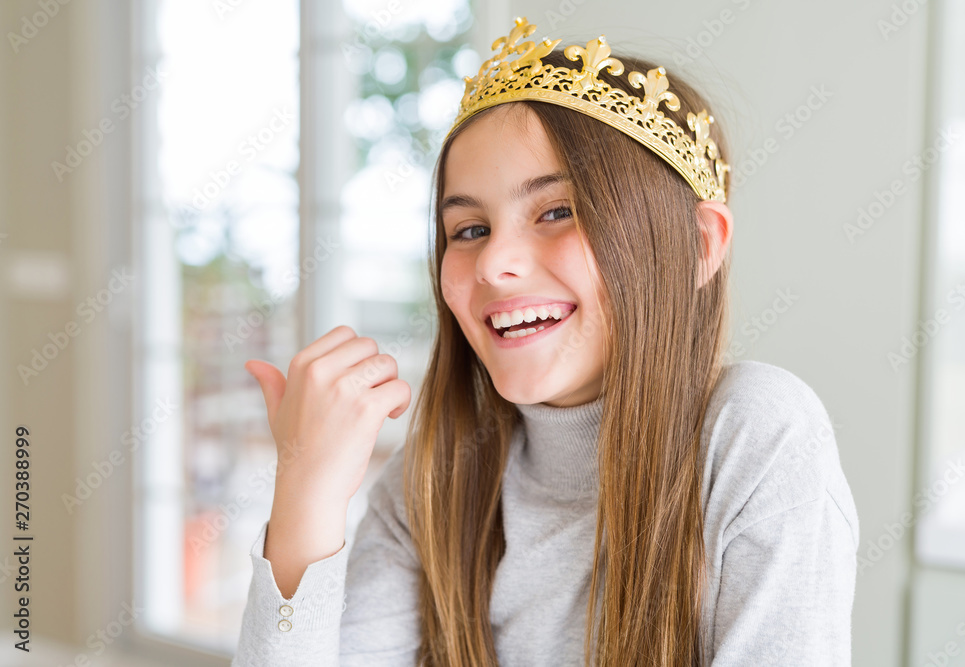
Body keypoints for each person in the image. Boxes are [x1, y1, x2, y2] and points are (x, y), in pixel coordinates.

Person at [232, 16, 859, 667]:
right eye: (468, 228)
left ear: (698, 246)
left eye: (557, 212)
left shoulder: (757, 429)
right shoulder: (434, 479)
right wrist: (306, 486)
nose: (494, 261)